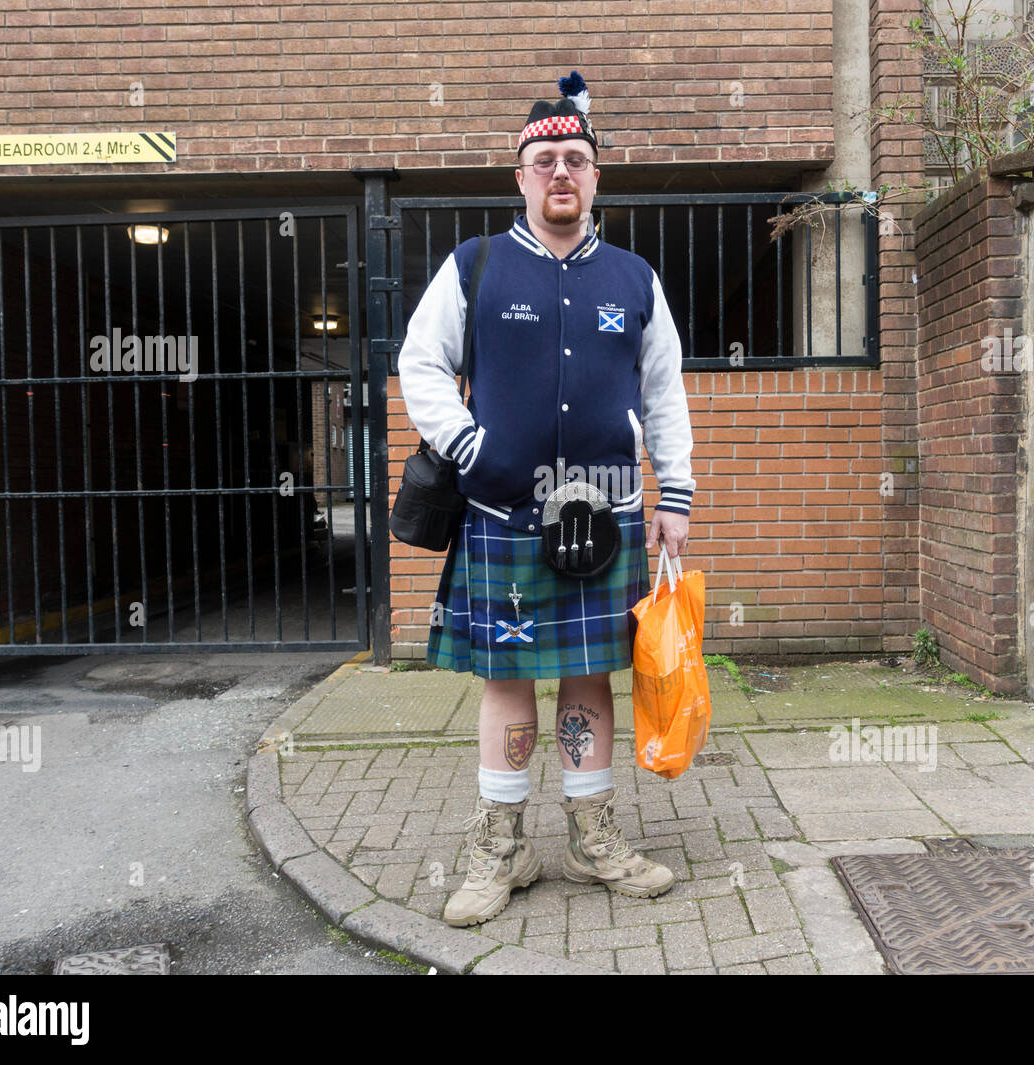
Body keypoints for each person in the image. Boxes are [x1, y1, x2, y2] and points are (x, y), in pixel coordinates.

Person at [397, 71, 695, 928]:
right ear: (520, 176)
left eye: (575, 158)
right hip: (500, 513)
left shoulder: (636, 279)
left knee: (589, 679)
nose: (560, 172)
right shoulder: (475, 266)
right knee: (504, 681)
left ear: (596, 175)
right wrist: (467, 447)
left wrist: (674, 492)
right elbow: (421, 365)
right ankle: (503, 846)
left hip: (607, 518)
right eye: (544, 160)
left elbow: (665, 392)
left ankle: (593, 837)